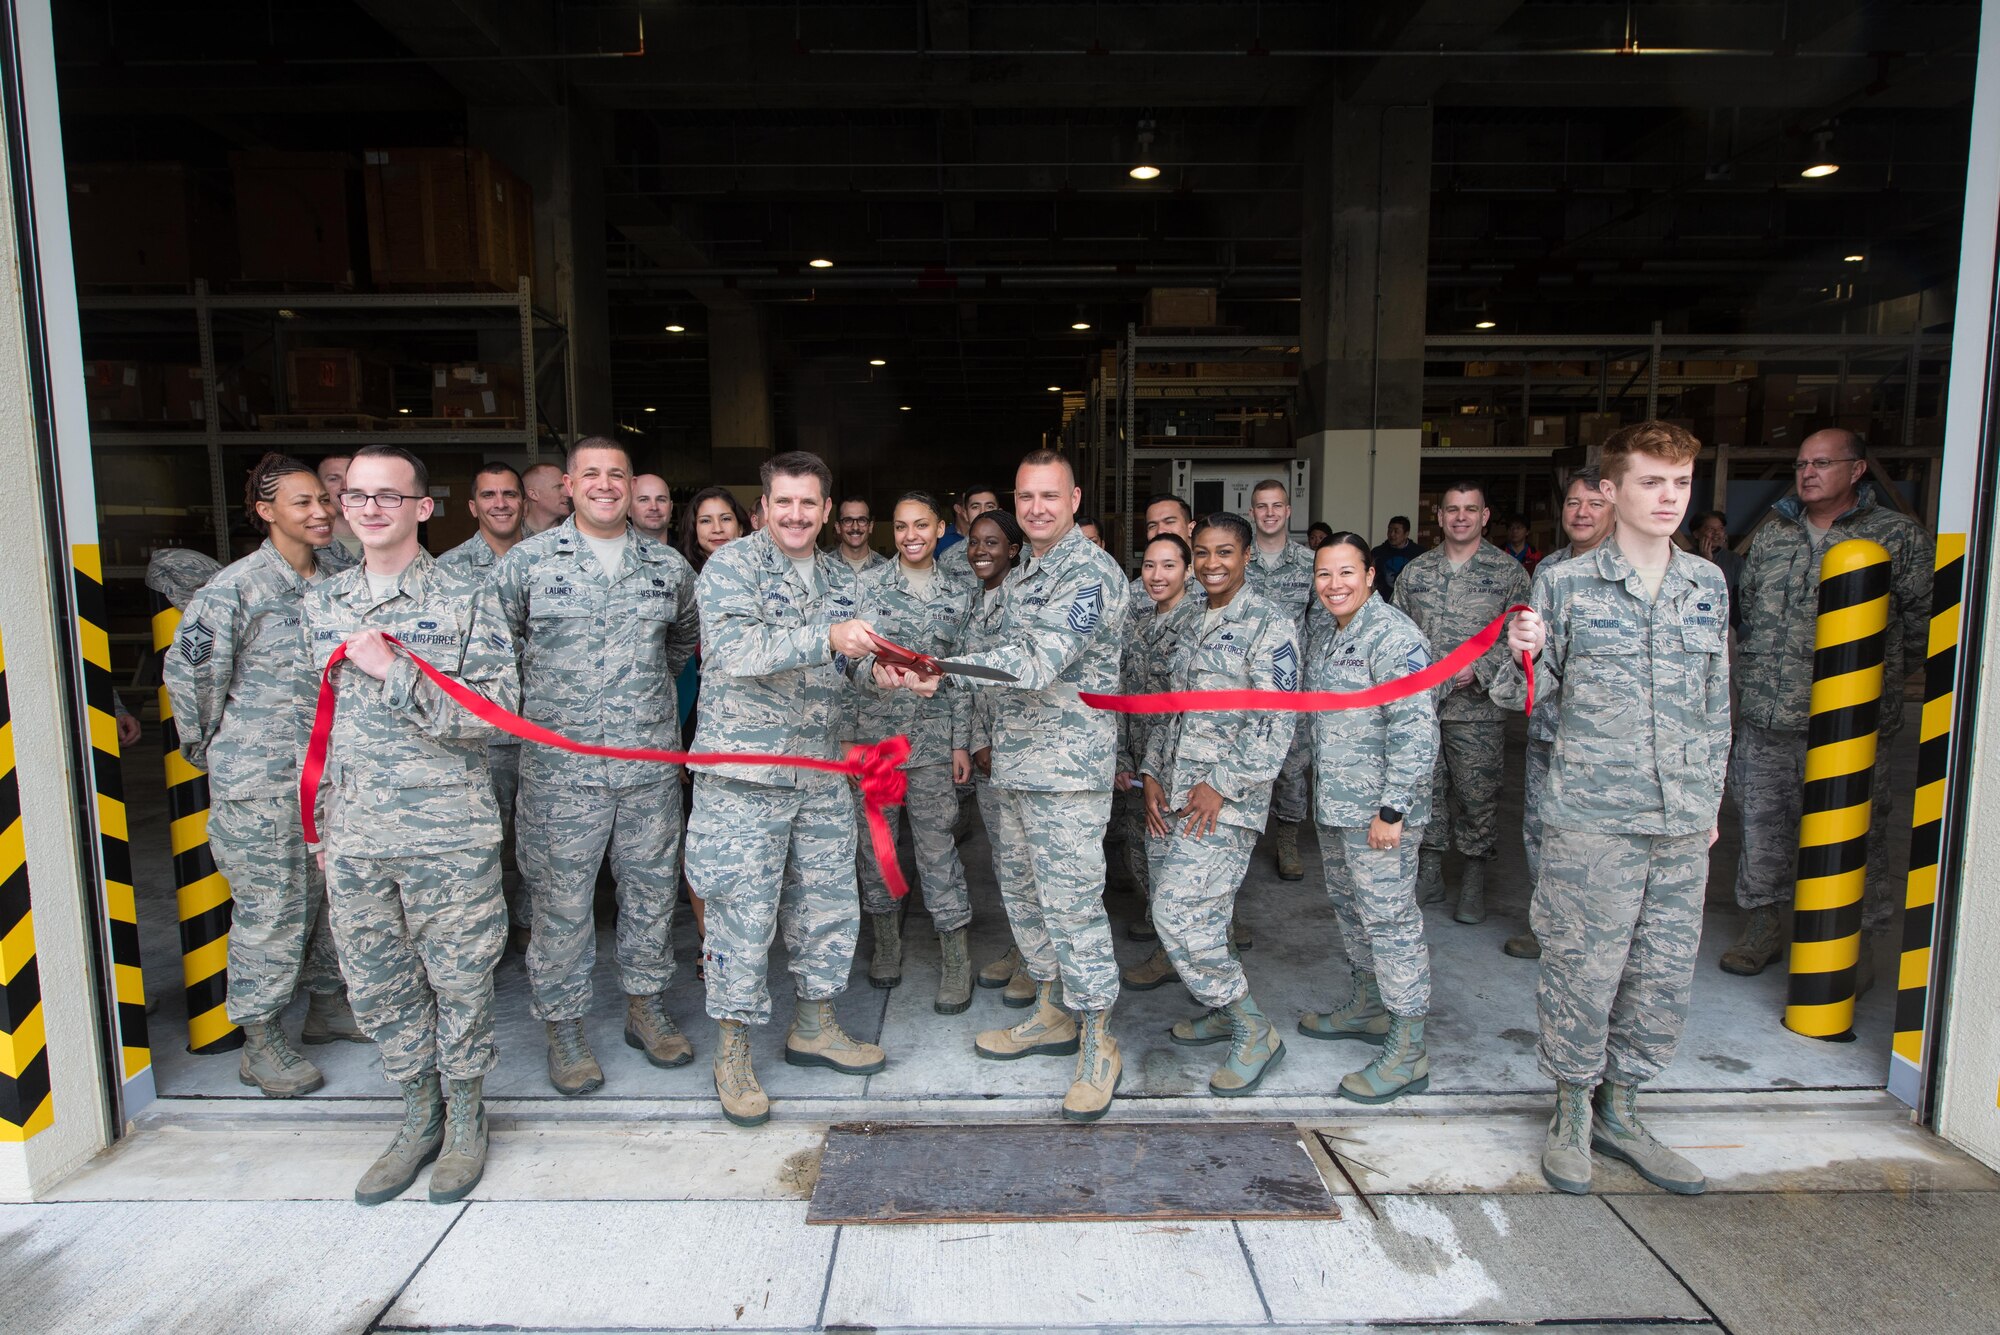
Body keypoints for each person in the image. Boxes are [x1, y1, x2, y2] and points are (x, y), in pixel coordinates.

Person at [1497, 420, 1730, 1198]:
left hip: (1681, 816)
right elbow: (1521, 699)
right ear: (1612, 490)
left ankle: (1622, 1108)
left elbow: (1715, 705)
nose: (1669, 498)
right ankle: (1569, 1106)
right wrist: (1519, 648)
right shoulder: (1563, 584)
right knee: (1582, 966)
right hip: (1591, 818)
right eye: (1651, 482)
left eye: (1681, 484)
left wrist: (1712, 800)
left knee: (1662, 973)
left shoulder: (1707, 584)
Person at [686, 451, 929, 1127]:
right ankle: (732, 1047)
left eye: (808, 504)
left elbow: (848, 665)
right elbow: (734, 649)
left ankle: (814, 1025)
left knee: (826, 904)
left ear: (827, 510)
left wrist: (881, 676)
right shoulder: (732, 565)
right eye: (783, 503)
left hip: (820, 773)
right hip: (745, 779)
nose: (796, 515)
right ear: (765, 507)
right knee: (741, 913)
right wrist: (827, 637)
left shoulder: (841, 581)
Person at [303, 443, 517, 1207]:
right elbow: (315, 730)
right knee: (380, 986)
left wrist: (394, 672)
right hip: (359, 835)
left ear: (422, 507)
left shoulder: (466, 598)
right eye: (357, 495)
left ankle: (465, 1116)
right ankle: (417, 1113)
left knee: (459, 982)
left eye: (388, 496)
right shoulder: (322, 604)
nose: (368, 508)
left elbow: (495, 715)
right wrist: (322, 828)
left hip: (448, 833)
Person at [494, 438, 703, 1096]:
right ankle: (565, 1027)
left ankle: (646, 1007)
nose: (607, 485)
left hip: (646, 768)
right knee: (561, 905)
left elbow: (680, 643)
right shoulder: (526, 564)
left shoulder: (667, 567)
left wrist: (637, 705)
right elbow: (499, 657)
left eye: (619, 475)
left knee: (649, 895)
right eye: (593, 474)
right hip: (561, 774)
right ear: (567, 485)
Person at [165, 454, 365, 1099]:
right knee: (273, 908)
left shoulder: (342, 576)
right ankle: (260, 1039)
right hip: (265, 783)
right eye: (303, 503)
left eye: (323, 501)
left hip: (337, 775)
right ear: (265, 511)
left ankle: (329, 1007)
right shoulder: (233, 590)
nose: (321, 512)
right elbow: (192, 682)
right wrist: (218, 752)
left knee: (337, 901)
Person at [948, 449, 1130, 1122]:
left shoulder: (1091, 574)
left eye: (1048, 495)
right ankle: (1054, 1010)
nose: (1035, 508)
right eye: (1025, 496)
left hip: (1068, 774)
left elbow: (1035, 660)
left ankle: (1098, 1039)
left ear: (1075, 499)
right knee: (1025, 899)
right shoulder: (1025, 573)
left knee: (1075, 908)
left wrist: (941, 668)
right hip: (1017, 769)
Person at [1722, 430, 1932, 989]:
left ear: (1858, 469)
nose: (1808, 473)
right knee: (1762, 827)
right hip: (1769, 716)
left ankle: (1852, 938)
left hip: (1849, 727)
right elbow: (1748, 616)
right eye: (1801, 464)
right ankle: (1764, 926)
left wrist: (1878, 686)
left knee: (1855, 833)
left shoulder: (1895, 536)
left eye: (1822, 463)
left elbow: (1921, 626)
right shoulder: (1772, 536)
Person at [1141, 512, 1297, 1096]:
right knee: (1191, 912)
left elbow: (1276, 720)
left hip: (1222, 803)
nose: (1211, 564)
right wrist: (1154, 773)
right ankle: (1216, 1003)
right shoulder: (1189, 620)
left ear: (1247, 556)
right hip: (1173, 795)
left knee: (1179, 915)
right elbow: (1170, 706)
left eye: (1224, 552)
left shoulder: (1269, 625)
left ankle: (1252, 1028)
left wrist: (1223, 784)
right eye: (1201, 553)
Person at [1297, 531, 1439, 1103]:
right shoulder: (1333, 634)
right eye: (1324, 575)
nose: (1334, 585)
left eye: (1346, 573)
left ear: (1371, 576)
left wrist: (1393, 809)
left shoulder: (1393, 637)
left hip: (1380, 816)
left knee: (1390, 923)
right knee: (1352, 911)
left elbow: (1415, 728)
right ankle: (1369, 1003)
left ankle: (1409, 1047)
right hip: (1338, 808)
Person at [849, 492, 977, 1010]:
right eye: (901, 526)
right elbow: (845, 664)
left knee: (937, 850)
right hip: (879, 742)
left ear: (940, 527)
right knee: (878, 849)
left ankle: (955, 958)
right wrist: (873, 674)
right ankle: (887, 944)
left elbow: (966, 673)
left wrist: (962, 742)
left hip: (932, 743)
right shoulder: (865, 587)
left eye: (921, 525)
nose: (911, 535)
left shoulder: (960, 594)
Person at [1391, 481, 1530, 925]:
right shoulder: (1417, 572)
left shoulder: (1508, 574)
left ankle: (1473, 878)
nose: (1461, 517)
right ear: (1440, 516)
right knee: (1425, 792)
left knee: (1478, 795)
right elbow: (1398, 633)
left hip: (1478, 710)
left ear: (1485, 516)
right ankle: (1430, 873)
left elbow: (1521, 637)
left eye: (1471, 509)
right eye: (1452, 509)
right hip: (1424, 710)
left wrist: (1480, 669)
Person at [1506, 468, 1613, 961]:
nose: (1582, 513)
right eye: (1573, 503)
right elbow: (1531, 657)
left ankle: (1593, 930)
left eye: (1593, 503)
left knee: (1601, 838)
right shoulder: (1548, 568)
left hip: (1608, 740)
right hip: (1552, 728)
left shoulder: (1630, 571)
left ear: (1614, 505)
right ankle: (1545, 921)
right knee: (1540, 826)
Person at [438, 463, 530, 950]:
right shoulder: (445, 572)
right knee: (481, 846)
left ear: (524, 502)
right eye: (489, 495)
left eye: (510, 494)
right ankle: (482, 944)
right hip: (482, 738)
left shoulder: (549, 559)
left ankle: (531, 932)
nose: (501, 503)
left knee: (546, 847)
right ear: (473, 506)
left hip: (544, 731)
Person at [955, 509, 1036, 1006]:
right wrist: (968, 740)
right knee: (1008, 863)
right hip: (989, 761)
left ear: (1013, 549)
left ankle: (1040, 961)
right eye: (973, 542)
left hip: (1023, 752)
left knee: (1032, 862)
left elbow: (1016, 680)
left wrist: (986, 739)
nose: (981, 551)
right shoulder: (974, 601)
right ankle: (1025, 945)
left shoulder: (1023, 601)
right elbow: (965, 681)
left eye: (992, 543)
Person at [1116, 533, 1200, 985]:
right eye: (1149, 566)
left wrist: (1154, 768)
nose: (1157, 575)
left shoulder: (1197, 624)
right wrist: (1121, 756)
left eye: (1168, 566)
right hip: (1136, 768)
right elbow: (1123, 692)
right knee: (1143, 857)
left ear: (1188, 571)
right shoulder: (1138, 621)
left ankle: (1196, 961)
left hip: (1177, 769)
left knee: (1181, 871)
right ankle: (1172, 953)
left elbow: (1182, 708)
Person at [672, 486, 753, 945]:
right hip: (693, 718)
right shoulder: (678, 578)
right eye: (706, 520)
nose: (717, 529)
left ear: (742, 525)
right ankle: (709, 940)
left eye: (726, 519)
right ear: (693, 529)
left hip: (748, 723)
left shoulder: (760, 576)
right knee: (702, 840)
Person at [1246, 479, 1318, 885]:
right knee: (1249, 764)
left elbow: (1322, 628)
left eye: (1277, 506)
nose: (1270, 513)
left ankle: (1287, 840)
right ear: (1252, 513)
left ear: (1289, 511)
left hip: (1294, 690)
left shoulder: (1310, 564)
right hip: (1246, 689)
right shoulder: (1238, 558)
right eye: (1262, 506)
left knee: (1292, 769)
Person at [1129, 495, 1202, 615]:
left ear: (1191, 528)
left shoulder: (1213, 577)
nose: (1160, 531)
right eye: (1152, 526)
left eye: (1169, 522)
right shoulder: (1136, 591)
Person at [1690, 511, 1743, 629]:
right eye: (1710, 529)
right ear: (1696, 534)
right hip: (1693, 623)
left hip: (1725, 624)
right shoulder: (1684, 558)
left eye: (1720, 528)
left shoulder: (1733, 560)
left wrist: (1733, 626)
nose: (1717, 533)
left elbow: (1739, 597)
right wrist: (1705, 562)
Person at [935, 483, 1001, 578]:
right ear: (965, 513)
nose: (983, 512)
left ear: (1000, 511)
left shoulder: (1021, 553)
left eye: (990, 506)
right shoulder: (948, 557)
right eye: (975, 507)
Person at [316, 454, 363, 563]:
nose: (345, 486)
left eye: (351, 477)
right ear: (319, 487)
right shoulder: (306, 545)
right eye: (334, 479)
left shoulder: (385, 538)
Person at [833, 495, 888, 575]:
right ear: (838, 527)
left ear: (870, 526)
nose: (855, 527)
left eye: (862, 520)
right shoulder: (824, 567)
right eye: (848, 520)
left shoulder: (887, 568)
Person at [1371, 515, 1421, 600]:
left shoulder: (1419, 553)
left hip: (1409, 601)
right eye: (1389, 530)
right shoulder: (1377, 553)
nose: (1392, 534)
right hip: (1384, 601)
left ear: (1406, 534)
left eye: (1396, 531)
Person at [520, 462, 572, 536]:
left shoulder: (575, 533)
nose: (569, 493)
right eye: (558, 487)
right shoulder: (511, 534)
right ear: (533, 494)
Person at [632, 474, 674, 542]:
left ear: (671, 508)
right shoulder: (615, 552)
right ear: (628, 509)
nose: (654, 507)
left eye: (661, 500)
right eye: (644, 500)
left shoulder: (684, 552)